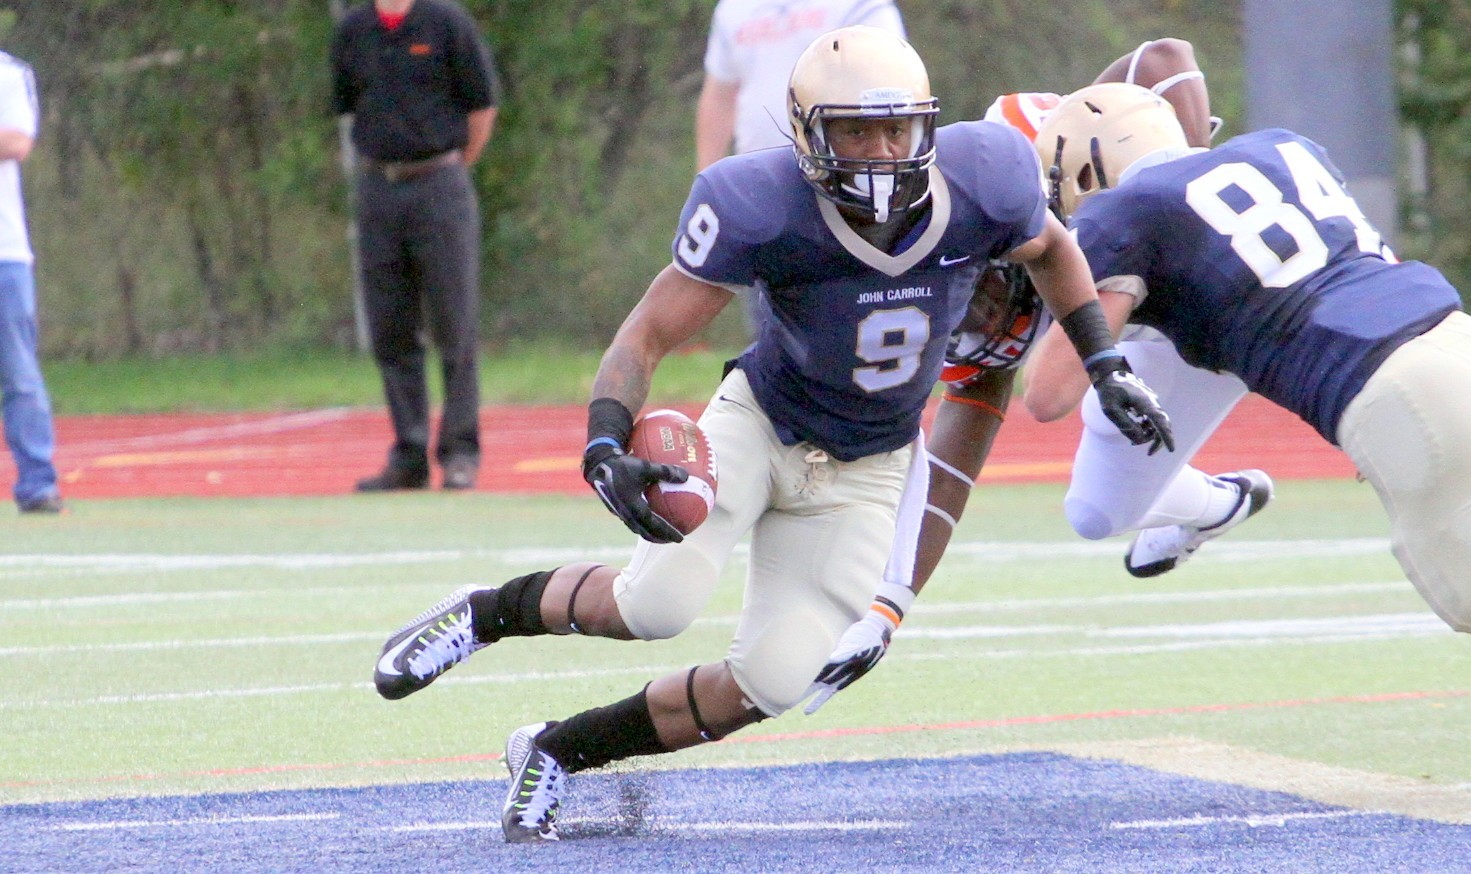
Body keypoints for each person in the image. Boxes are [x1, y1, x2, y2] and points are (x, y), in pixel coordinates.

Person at [372, 26, 1172, 843]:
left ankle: (554, 752)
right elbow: (648, 331)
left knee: (774, 680)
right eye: (855, 130)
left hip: (868, 468)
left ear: (925, 127)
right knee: (654, 604)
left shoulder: (987, 179)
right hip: (762, 423)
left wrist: (1103, 361)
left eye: (895, 128)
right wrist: (605, 441)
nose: (880, 151)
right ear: (806, 133)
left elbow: (1051, 248)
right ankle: (482, 614)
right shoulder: (759, 203)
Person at [798, 38, 1259, 717]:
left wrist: (1182, 195)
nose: (980, 307)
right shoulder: (965, 333)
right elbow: (951, 467)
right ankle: (1216, 503)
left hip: (1210, 276)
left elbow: (1162, 60)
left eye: (965, 285)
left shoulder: (1015, 152)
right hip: (1128, 318)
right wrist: (887, 606)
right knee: (1095, 511)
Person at [1027, 82, 1471, 643]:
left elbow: (1048, 394)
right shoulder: (1285, 148)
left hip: (1397, 393)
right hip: (1452, 336)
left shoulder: (1127, 211)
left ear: (1083, 175)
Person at [330, 0, 499, 492]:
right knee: (391, 328)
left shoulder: (448, 23)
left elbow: (481, 106)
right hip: (377, 188)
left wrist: (451, 168)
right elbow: (348, 106)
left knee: (455, 324)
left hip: (440, 183)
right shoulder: (354, 30)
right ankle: (409, 453)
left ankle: (460, 453)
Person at [695, 0, 906, 336]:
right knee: (771, 330)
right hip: (760, 186)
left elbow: (893, 82)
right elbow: (720, 94)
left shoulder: (859, 4)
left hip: (841, 183)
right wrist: (707, 180)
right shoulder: (733, 7)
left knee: (845, 321)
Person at [0, 52, 62, 515]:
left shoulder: (9, 73)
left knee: (19, 373)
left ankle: (38, 483)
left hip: (5, 254)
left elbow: (18, 141)